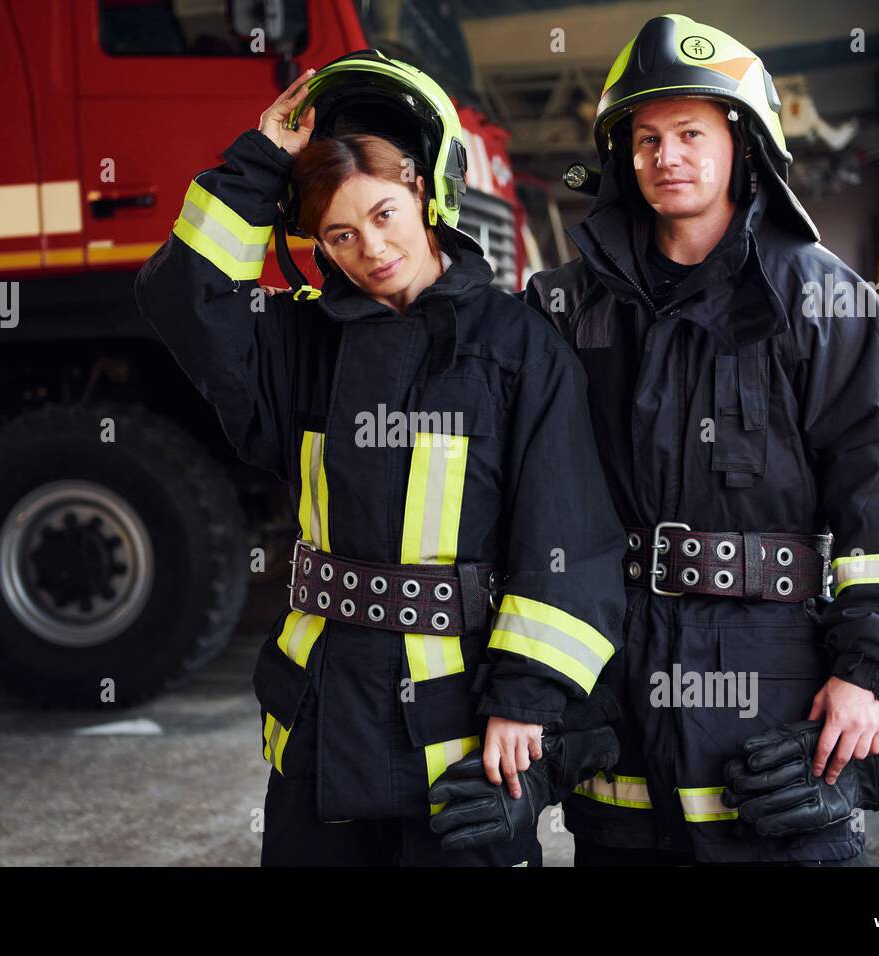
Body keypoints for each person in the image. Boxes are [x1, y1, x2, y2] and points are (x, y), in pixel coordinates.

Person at [133, 51, 626, 866]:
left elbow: (567, 542)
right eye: (341, 234)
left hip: (460, 740)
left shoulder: (517, 347)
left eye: (386, 214)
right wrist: (260, 159)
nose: (372, 248)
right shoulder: (300, 342)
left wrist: (524, 705)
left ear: (427, 196)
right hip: (322, 728)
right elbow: (184, 299)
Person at [519, 14, 879, 865]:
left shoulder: (822, 299)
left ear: (742, 142)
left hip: (781, 683)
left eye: (689, 132)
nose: (664, 156)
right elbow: (528, 492)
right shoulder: (566, 307)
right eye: (644, 138)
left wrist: (867, 671)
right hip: (619, 673)